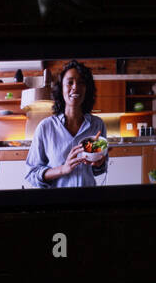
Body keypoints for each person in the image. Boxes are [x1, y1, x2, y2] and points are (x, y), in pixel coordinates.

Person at [24, 60, 108, 188]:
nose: (75, 87)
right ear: (61, 89)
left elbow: (100, 170)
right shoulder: (45, 127)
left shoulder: (97, 125)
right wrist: (63, 169)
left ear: (87, 89)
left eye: (81, 83)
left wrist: (99, 163)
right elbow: (31, 174)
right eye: (70, 82)